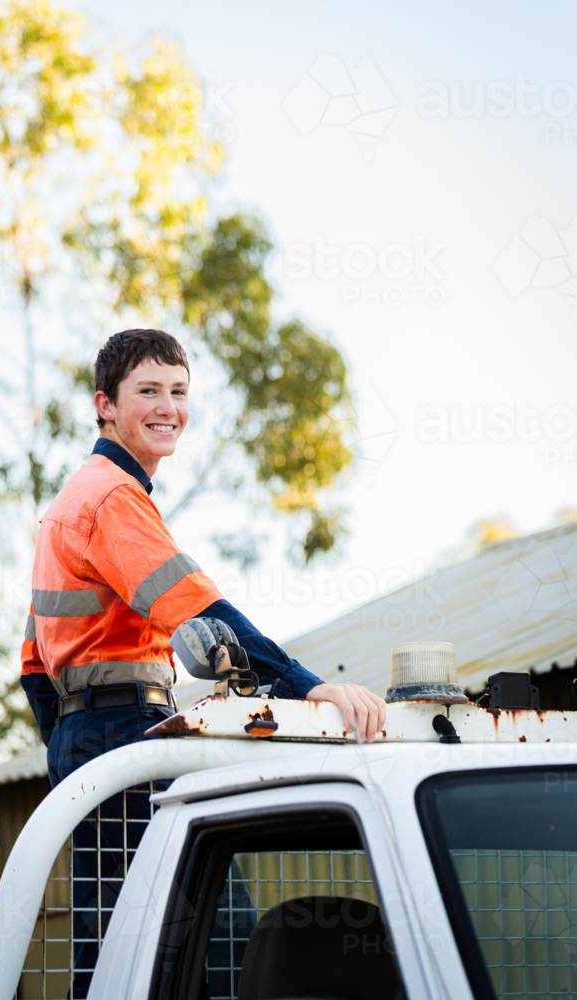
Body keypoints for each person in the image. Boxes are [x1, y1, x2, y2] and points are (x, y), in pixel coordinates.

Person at [20, 328, 387, 996]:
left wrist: (68, 747)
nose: (167, 407)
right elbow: (203, 618)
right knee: (210, 940)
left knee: (116, 952)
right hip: (126, 730)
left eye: (178, 392)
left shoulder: (67, 505)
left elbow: (31, 668)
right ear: (104, 404)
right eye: (147, 392)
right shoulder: (112, 499)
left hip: (90, 735)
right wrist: (311, 690)